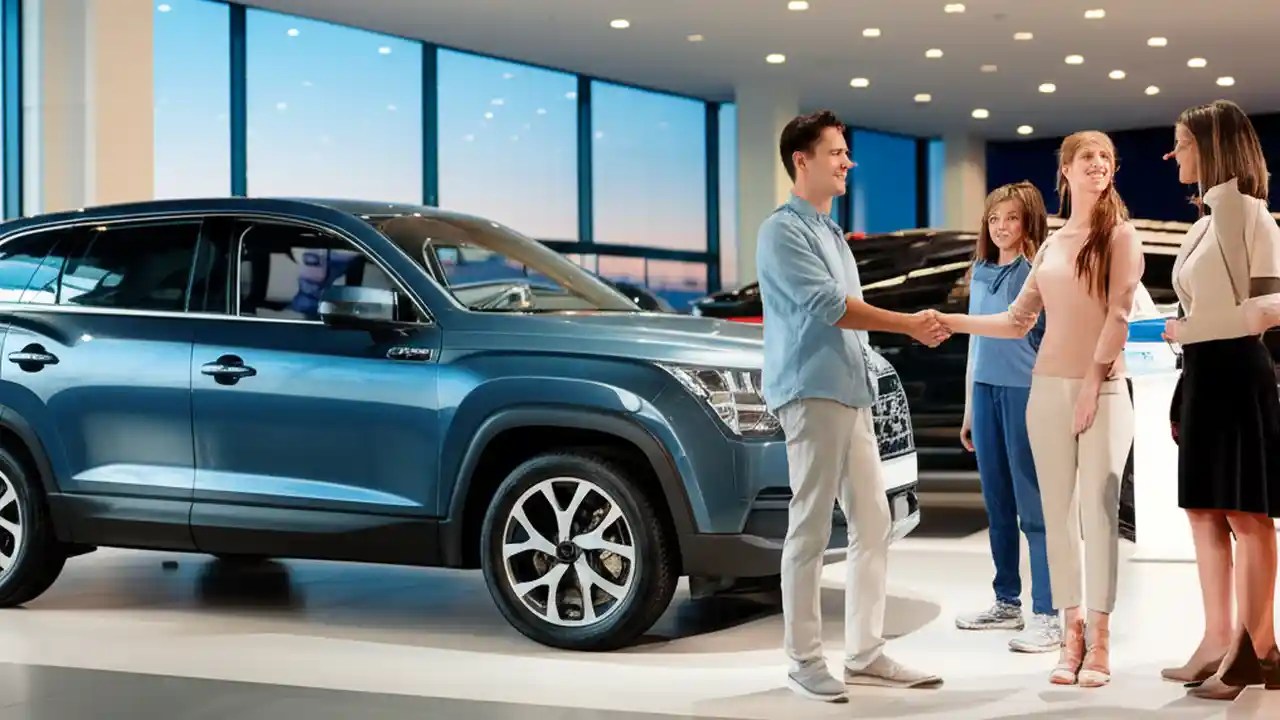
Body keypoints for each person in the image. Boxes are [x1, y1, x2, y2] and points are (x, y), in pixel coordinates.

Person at [938, 130, 1142, 688]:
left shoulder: (1120, 235)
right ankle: (1069, 634)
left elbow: (1119, 316)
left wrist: (1090, 383)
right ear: (1066, 171)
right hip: (1045, 389)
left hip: (1100, 390)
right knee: (1055, 517)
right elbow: (1015, 321)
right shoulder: (1052, 246)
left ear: (1113, 168)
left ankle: (1099, 641)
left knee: (1097, 518)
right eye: (1086, 157)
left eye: (1105, 156)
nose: (1097, 163)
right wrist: (952, 323)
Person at [756, 110, 947, 702]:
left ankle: (864, 653)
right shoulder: (781, 230)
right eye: (836, 152)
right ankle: (804, 659)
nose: (848, 162)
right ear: (802, 160)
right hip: (810, 392)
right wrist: (909, 326)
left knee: (875, 522)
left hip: (850, 392)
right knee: (810, 526)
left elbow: (847, 319)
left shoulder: (831, 233)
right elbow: (829, 307)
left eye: (847, 152)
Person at [1160, 99, 1280, 701]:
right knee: (1204, 510)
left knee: (1247, 514)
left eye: (1180, 142)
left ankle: (1256, 651)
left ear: (1210, 146)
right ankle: (1220, 640)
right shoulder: (1205, 220)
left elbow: (1271, 309)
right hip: (1205, 375)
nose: (1171, 153)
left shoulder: (1251, 216)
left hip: (1237, 374)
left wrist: (1190, 331)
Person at [952, 182, 1061, 654]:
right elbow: (976, 344)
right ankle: (1006, 601)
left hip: (1024, 393)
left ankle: (1048, 613)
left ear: (1028, 222)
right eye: (994, 218)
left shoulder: (1036, 270)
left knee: (1033, 506)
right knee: (997, 503)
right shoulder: (980, 270)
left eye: (1011, 218)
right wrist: (969, 409)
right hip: (987, 393)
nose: (1001, 227)